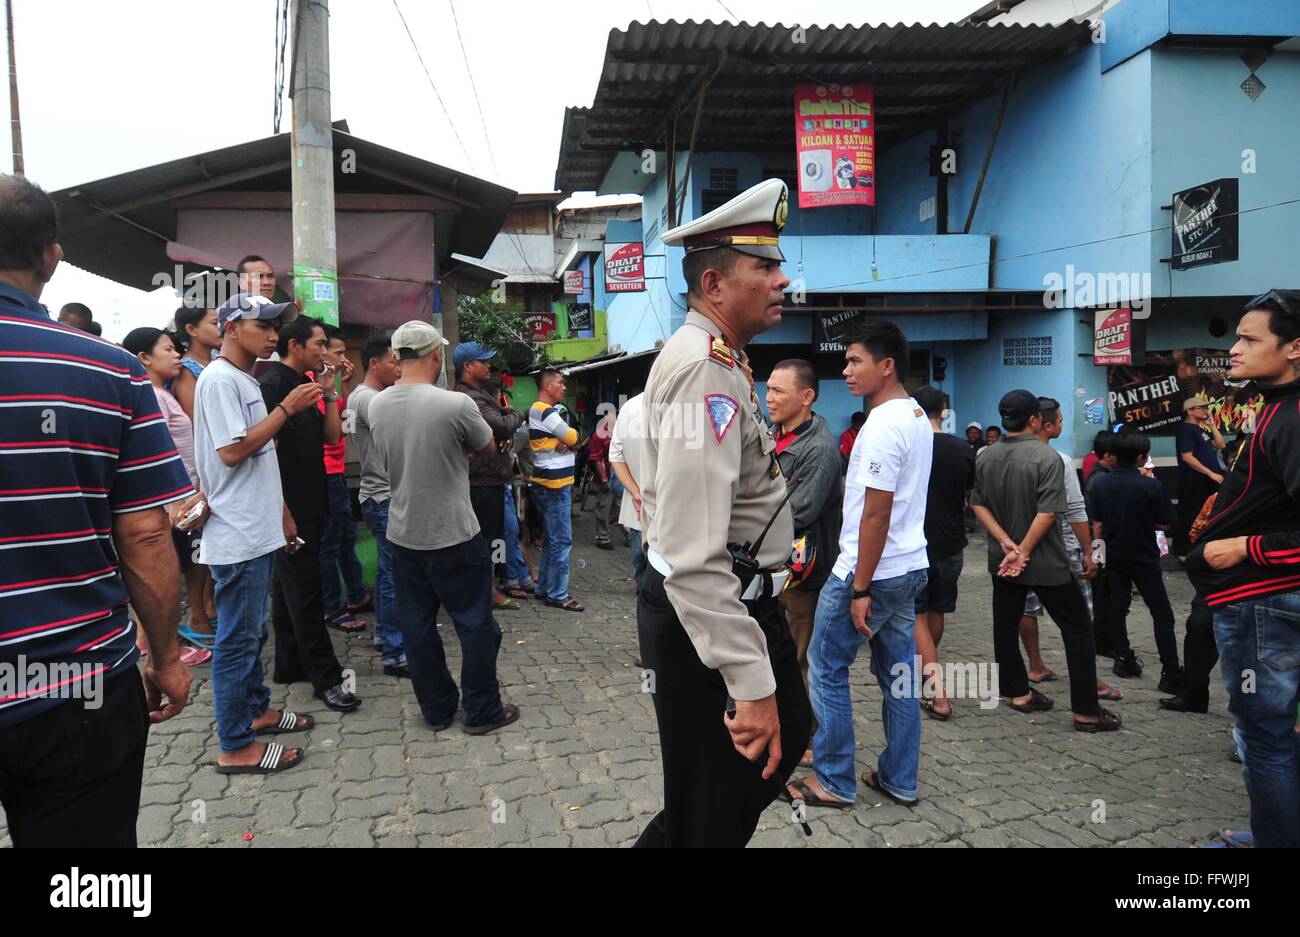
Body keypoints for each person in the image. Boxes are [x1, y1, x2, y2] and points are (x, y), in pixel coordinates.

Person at [0, 174, 196, 844]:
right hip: (76, 683)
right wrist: (166, 655)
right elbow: (145, 534)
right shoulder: (108, 371)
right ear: (51, 258)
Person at [634, 178, 809, 847]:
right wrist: (750, 678)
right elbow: (687, 552)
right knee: (710, 811)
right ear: (715, 284)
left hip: (734, 602)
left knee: (715, 800)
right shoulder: (705, 368)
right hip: (709, 612)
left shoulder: (723, 358)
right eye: (764, 266)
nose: (782, 278)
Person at [791, 321, 931, 810]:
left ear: (886, 365)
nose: (846, 370)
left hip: (867, 570)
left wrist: (859, 588)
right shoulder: (915, 414)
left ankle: (833, 780)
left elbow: (877, 511)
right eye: (846, 361)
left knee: (826, 666)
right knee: (899, 676)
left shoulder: (883, 424)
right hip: (909, 564)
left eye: (855, 362)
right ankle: (900, 778)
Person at [1185, 290, 1300, 848]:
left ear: (1295, 347)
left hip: (1266, 603)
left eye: (1251, 339)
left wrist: (1243, 548)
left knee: (1266, 737)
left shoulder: (1294, 417)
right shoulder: (1274, 406)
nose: (1233, 349)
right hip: (1258, 602)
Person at [194, 292, 324, 774]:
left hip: (256, 527)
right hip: (238, 533)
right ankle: (235, 745)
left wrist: (282, 514)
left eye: (276, 324)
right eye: (261, 324)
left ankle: (257, 710)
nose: (273, 334)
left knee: (253, 632)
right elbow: (232, 452)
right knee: (238, 641)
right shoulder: (220, 380)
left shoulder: (241, 379)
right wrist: (286, 409)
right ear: (231, 329)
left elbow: (261, 460)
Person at [368, 321, 519, 735]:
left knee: (417, 629)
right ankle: (482, 711)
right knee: (475, 625)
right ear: (437, 355)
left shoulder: (375, 405)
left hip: (404, 536)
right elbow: (486, 444)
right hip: (455, 533)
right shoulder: (455, 405)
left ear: (396, 358)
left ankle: (436, 710)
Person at [970, 389, 1119, 732]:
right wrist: (1024, 550)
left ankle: (1018, 692)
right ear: (1034, 420)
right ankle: (1086, 711)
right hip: (1045, 560)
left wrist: (1007, 544)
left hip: (1003, 559)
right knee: (1078, 629)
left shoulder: (985, 456)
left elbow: (976, 504)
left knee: (1004, 625)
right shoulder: (1049, 458)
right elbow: (1050, 513)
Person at [258, 315, 359, 712]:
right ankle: (326, 678)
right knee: (306, 592)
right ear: (295, 346)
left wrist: (331, 394)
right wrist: (281, 512)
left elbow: (332, 436)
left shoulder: (308, 386)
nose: (325, 352)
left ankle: (290, 664)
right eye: (319, 344)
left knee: (287, 591)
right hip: (289, 507)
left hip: (312, 501)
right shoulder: (271, 386)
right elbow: (264, 454)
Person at [120, 327, 211, 667]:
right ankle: (153, 644)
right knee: (160, 573)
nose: (177, 356)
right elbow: (155, 453)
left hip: (180, 496)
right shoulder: (153, 397)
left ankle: (162, 639)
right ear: (144, 358)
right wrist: (173, 501)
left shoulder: (162, 391)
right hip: (169, 502)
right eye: (168, 349)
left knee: (182, 566)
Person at [1017, 397, 1111, 698]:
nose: (1061, 425)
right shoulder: (1058, 460)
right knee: (1081, 618)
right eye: (1058, 421)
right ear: (1044, 425)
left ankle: (1035, 665)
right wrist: (1090, 553)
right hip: (1061, 549)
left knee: (1026, 608)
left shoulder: (1003, 457)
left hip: (1019, 548)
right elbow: (1075, 510)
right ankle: (1089, 681)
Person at [764, 359, 842, 702]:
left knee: (799, 657)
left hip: (802, 572)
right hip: (772, 565)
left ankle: (808, 735)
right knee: (776, 652)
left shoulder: (820, 449)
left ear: (806, 397)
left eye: (778, 391)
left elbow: (798, 511)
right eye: (768, 388)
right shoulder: (773, 434)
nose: (769, 397)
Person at [1090, 432, 1182, 688]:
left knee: (1118, 608)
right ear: (1141, 457)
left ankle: (1123, 658)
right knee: (1162, 614)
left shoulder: (1100, 485)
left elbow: (1097, 525)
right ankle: (1171, 672)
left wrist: (1098, 559)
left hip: (1114, 557)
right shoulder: (1151, 486)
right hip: (1144, 557)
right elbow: (1165, 521)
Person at [913, 386, 975, 721]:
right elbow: (967, 495)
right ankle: (928, 667)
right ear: (944, 411)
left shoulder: (912, 447)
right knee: (937, 609)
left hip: (918, 545)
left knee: (917, 615)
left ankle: (938, 694)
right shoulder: (963, 448)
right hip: (952, 545)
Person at [347, 334, 407, 678]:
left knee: (388, 571)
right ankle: (396, 651)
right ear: (374, 363)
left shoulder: (360, 395)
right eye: (392, 362)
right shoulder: (371, 401)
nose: (397, 368)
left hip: (376, 494)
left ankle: (387, 636)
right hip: (384, 495)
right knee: (395, 574)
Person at [454, 341, 526, 610]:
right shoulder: (471, 398)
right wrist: (515, 414)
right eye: (483, 361)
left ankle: (491, 586)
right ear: (468, 366)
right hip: (482, 482)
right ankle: (487, 591)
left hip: (491, 479)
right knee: (487, 539)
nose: (488, 366)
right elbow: (502, 427)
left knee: (496, 537)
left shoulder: (479, 395)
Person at [168, 304, 222, 646]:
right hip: (203, 464)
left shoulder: (216, 363)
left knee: (209, 542)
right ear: (191, 329)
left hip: (216, 460)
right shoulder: (187, 370)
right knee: (198, 543)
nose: (219, 327)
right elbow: (196, 419)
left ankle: (208, 608)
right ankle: (198, 614)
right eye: (214, 323)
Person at [318, 327, 370, 630]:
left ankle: (356, 595)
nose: (342, 358)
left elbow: (346, 424)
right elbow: (333, 430)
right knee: (330, 541)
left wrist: (344, 385)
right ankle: (331, 606)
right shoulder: (314, 387)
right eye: (337, 352)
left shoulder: (332, 388)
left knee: (347, 536)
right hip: (325, 473)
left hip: (336, 470)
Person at [528, 368, 584, 612]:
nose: (564, 387)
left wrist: (566, 441)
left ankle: (545, 589)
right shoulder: (544, 410)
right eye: (560, 383)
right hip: (555, 485)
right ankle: (557, 593)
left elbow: (574, 439)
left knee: (552, 539)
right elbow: (573, 436)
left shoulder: (541, 411)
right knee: (562, 540)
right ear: (547, 385)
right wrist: (566, 441)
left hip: (551, 484)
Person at [1174, 395, 1226, 556]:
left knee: (1206, 514)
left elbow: (1220, 444)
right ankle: (1184, 551)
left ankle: (1197, 547)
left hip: (1205, 480)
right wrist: (1211, 473)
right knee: (1191, 514)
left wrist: (1212, 426)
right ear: (1189, 411)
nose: (1205, 410)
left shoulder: (1200, 429)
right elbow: (1187, 456)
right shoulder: (1186, 430)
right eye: (1201, 408)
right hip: (1194, 481)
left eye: (1206, 408)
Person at [610, 392, 649, 590]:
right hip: (671, 512)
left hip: (637, 508)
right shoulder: (682, 406)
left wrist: (635, 492)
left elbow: (615, 456)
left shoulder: (629, 407)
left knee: (641, 561)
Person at [584, 409, 618, 550]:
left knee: (620, 508)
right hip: (606, 477)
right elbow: (596, 459)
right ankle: (602, 538)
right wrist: (604, 479)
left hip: (620, 477)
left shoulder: (619, 432)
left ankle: (630, 536)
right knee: (604, 508)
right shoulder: (599, 436)